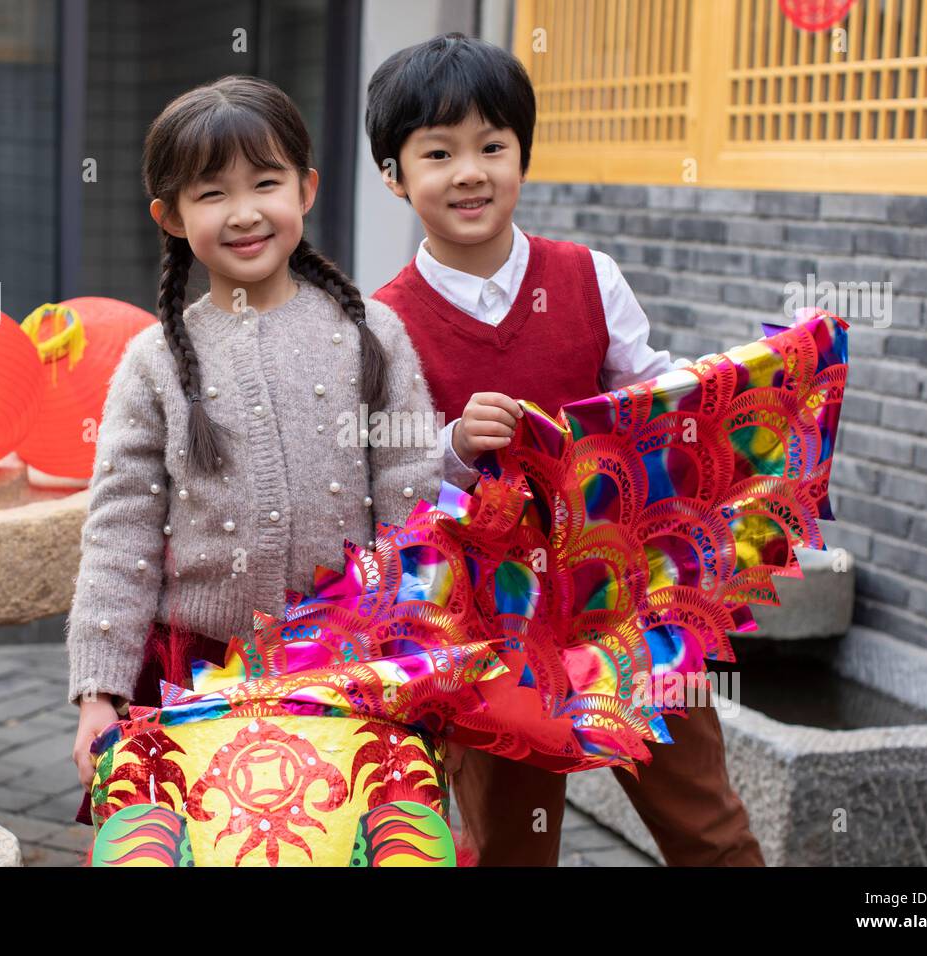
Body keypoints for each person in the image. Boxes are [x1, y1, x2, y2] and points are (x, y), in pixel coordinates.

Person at [366, 32, 765, 867]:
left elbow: (654, 399)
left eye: (492, 146)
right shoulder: (381, 323)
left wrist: (692, 392)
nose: (470, 172)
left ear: (524, 156)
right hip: (489, 624)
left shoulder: (590, 276)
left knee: (707, 827)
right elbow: (382, 476)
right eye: (438, 153)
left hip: (626, 596)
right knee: (512, 845)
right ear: (394, 176)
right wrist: (449, 445)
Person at [67, 75, 443, 824]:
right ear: (169, 216)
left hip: (348, 672)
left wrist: (416, 659)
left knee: (333, 838)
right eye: (211, 194)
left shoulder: (374, 335)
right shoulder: (153, 362)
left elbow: (414, 505)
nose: (244, 213)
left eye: (265, 183)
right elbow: (120, 535)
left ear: (304, 190)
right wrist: (99, 694)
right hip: (194, 679)